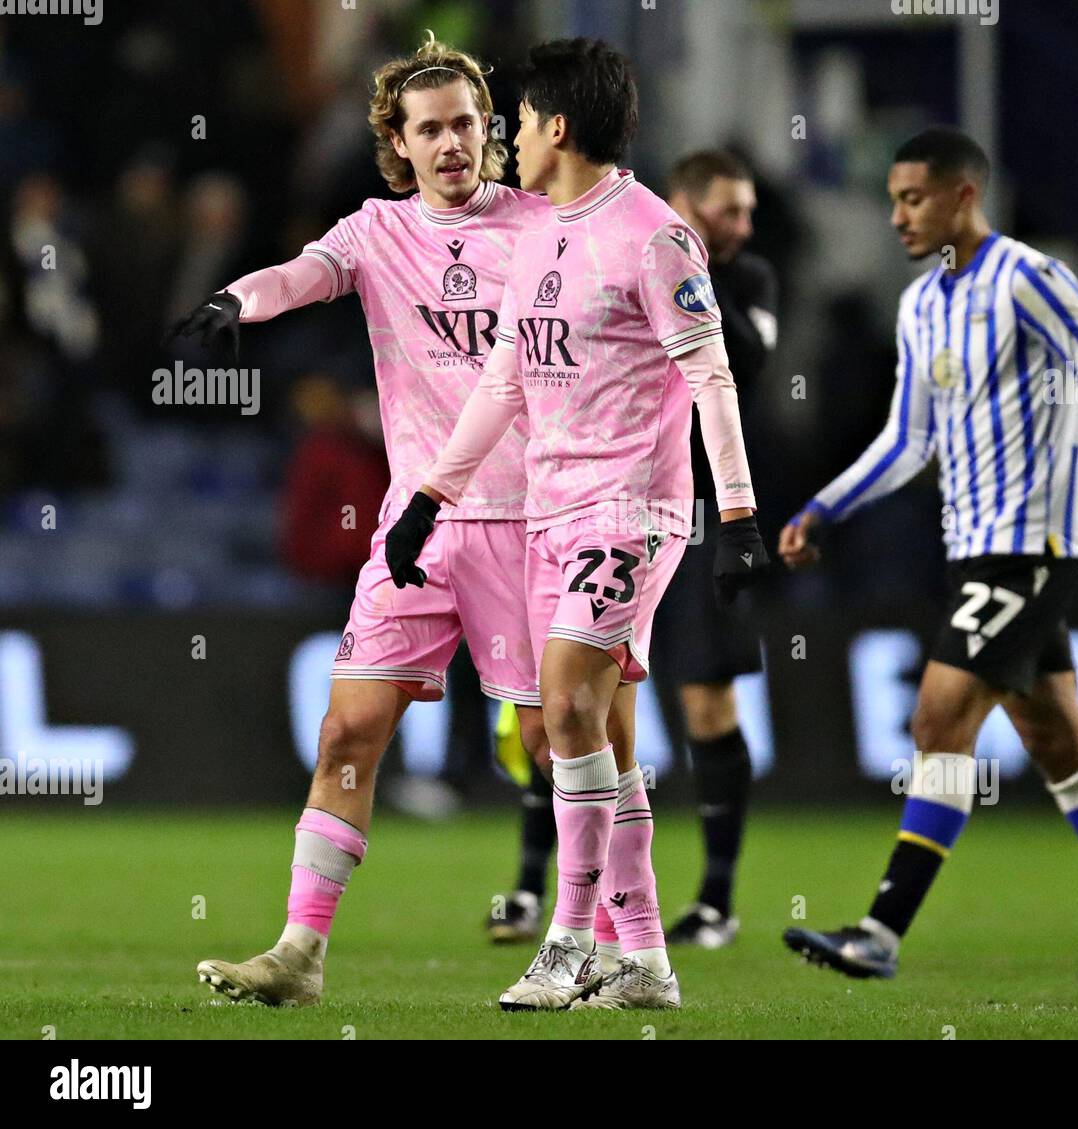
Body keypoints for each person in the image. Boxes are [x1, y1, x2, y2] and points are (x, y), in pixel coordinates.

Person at [780, 127, 1078, 981]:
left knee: (937, 716)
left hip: (1033, 548)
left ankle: (879, 933)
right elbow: (909, 439)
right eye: (893, 200)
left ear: (963, 195)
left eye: (914, 199)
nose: (898, 217)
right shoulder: (920, 304)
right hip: (971, 552)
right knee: (1058, 740)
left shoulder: (1028, 279)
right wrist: (828, 504)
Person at [175, 33, 554, 1006]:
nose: (451, 143)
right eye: (430, 129)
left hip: (530, 521)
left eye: (465, 123)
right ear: (398, 142)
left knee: (559, 742)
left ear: (490, 128)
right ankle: (300, 953)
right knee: (348, 730)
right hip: (415, 527)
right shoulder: (377, 231)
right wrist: (235, 300)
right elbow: (303, 273)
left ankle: (607, 939)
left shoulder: (544, 226)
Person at [392, 39, 769, 1010]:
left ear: (557, 128)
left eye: (516, 122)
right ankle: (645, 961)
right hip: (548, 512)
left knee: (563, 707)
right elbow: (504, 381)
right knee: (592, 733)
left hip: (631, 509)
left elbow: (711, 375)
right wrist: (431, 497)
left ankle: (566, 943)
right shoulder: (537, 236)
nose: (507, 140)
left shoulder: (654, 236)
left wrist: (735, 514)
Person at [653, 150, 777, 948]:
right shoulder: (629, 266)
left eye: (747, 210)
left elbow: (750, 361)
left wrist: (688, 261)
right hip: (627, 504)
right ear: (684, 203)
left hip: (709, 514)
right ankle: (568, 900)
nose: (744, 226)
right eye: (727, 210)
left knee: (706, 700)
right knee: (582, 701)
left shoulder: (752, 279)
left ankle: (716, 899)